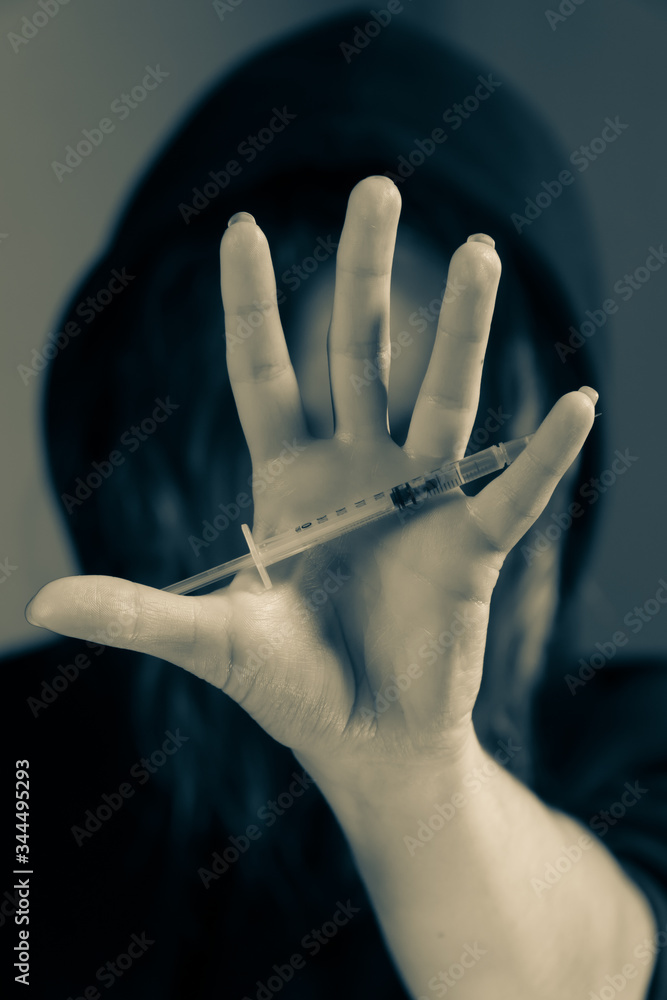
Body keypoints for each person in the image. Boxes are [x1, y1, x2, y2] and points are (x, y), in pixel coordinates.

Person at [13, 11, 666, 998]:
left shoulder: (640, 737)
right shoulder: (32, 753)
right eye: (284, 432)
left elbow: (595, 975)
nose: (360, 518)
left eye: (430, 445)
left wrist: (409, 769)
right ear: (174, 450)